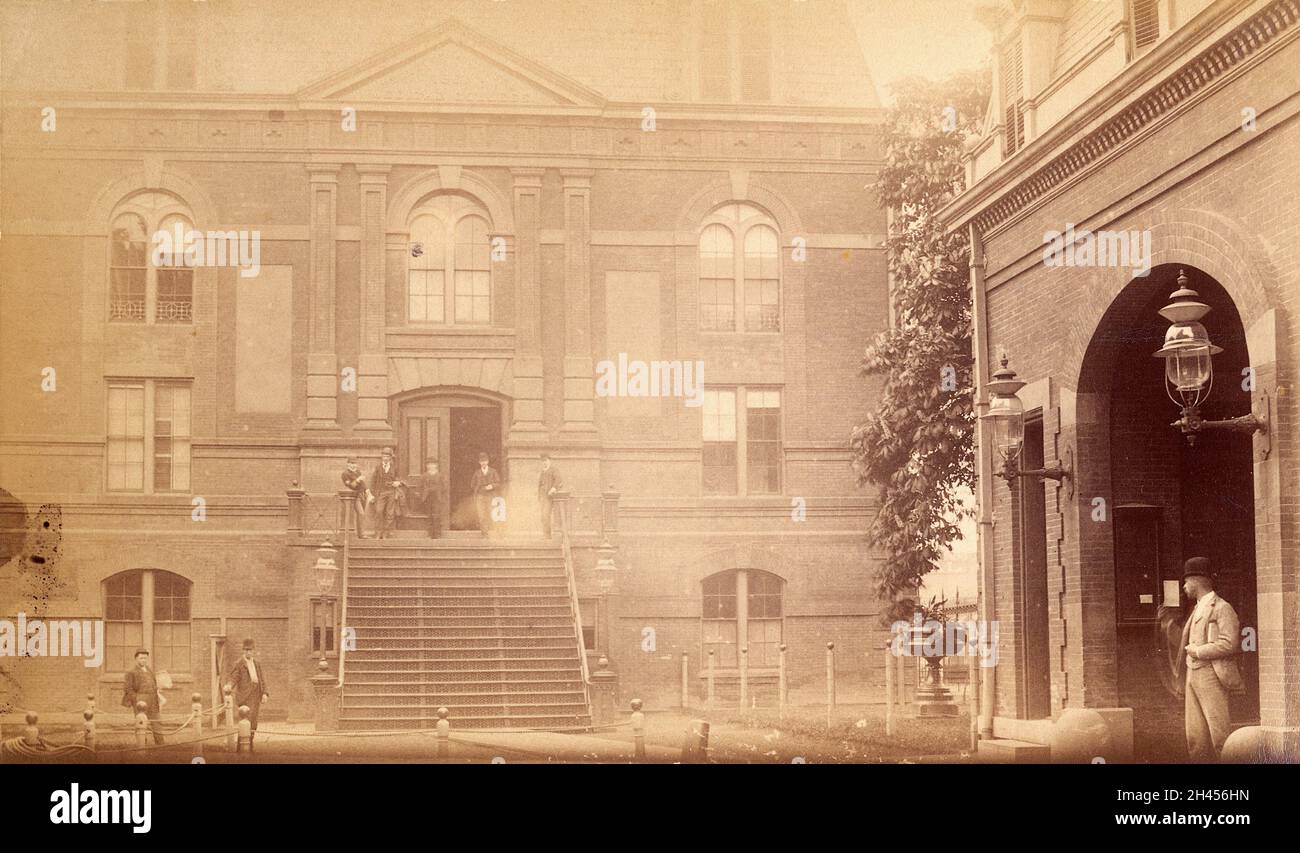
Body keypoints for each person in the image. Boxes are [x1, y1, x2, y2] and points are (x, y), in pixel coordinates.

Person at [1177, 556, 1244, 762]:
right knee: (1195, 738)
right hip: (1192, 675)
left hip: (1212, 675)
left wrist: (1199, 652)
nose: (1184, 586)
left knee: (1219, 735)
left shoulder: (1222, 608)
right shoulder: (1197, 607)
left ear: (1197, 580)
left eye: (1187, 582)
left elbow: (1230, 643)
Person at [225, 639, 270, 753]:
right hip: (245, 696)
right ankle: (241, 748)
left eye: (250, 650)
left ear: (253, 651)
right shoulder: (239, 663)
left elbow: (261, 679)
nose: (248, 652)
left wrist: (264, 693)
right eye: (246, 650)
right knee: (246, 722)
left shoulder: (257, 663)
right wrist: (229, 685)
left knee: (254, 722)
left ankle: (250, 745)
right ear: (243, 650)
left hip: (256, 696)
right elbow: (234, 677)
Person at [121, 648, 164, 744]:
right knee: (141, 723)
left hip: (153, 700)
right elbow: (128, 689)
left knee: (156, 722)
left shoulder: (149, 670)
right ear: (136, 659)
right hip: (140, 702)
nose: (143, 660)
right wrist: (137, 700)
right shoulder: (131, 672)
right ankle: (141, 745)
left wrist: (157, 688)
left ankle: (160, 745)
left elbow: (153, 683)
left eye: (145, 658)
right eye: (141, 658)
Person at [371, 447, 406, 539]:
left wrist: (397, 482)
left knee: (390, 513)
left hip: (391, 492)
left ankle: (386, 532)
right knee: (379, 511)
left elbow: (399, 478)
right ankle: (378, 532)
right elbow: (373, 481)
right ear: (381, 457)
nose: (385, 458)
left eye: (387, 456)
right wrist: (372, 494)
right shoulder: (378, 467)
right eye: (384, 456)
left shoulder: (394, 467)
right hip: (381, 492)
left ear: (391, 457)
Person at [470, 452, 500, 537]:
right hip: (480, 496)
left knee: (492, 514)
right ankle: (484, 533)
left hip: (491, 496)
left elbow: (498, 483)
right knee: (482, 515)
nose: (483, 463)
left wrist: (492, 486)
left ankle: (495, 533)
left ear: (488, 462)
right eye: (481, 461)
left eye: (485, 461)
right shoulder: (477, 473)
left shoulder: (493, 471)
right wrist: (478, 488)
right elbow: (472, 484)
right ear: (479, 462)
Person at [340, 458, 372, 538]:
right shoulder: (345, 474)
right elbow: (350, 485)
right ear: (348, 464)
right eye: (351, 463)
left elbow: (363, 483)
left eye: (355, 463)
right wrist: (357, 480)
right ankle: (359, 534)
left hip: (361, 495)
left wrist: (367, 490)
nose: (353, 465)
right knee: (360, 513)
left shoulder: (358, 472)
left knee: (361, 514)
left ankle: (360, 534)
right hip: (352, 497)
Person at [418, 458, 446, 539]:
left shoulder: (440, 475)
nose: (431, 466)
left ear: (436, 465)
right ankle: (430, 534)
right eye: (429, 464)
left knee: (436, 515)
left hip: (437, 498)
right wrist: (423, 495)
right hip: (428, 498)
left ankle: (437, 534)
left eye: (433, 464)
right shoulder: (424, 476)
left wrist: (440, 494)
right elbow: (420, 487)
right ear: (427, 466)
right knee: (429, 515)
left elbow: (444, 487)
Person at [537, 453, 563, 539]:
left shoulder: (553, 470)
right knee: (543, 516)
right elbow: (540, 485)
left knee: (546, 515)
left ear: (549, 461)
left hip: (550, 497)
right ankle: (546, 535)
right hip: (542, 497)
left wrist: (553, 488)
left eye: (546, 461)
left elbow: (558, 480)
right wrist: (539, 496)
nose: (544, 463)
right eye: (543, 461)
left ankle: (548, 536)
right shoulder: (542, 471)